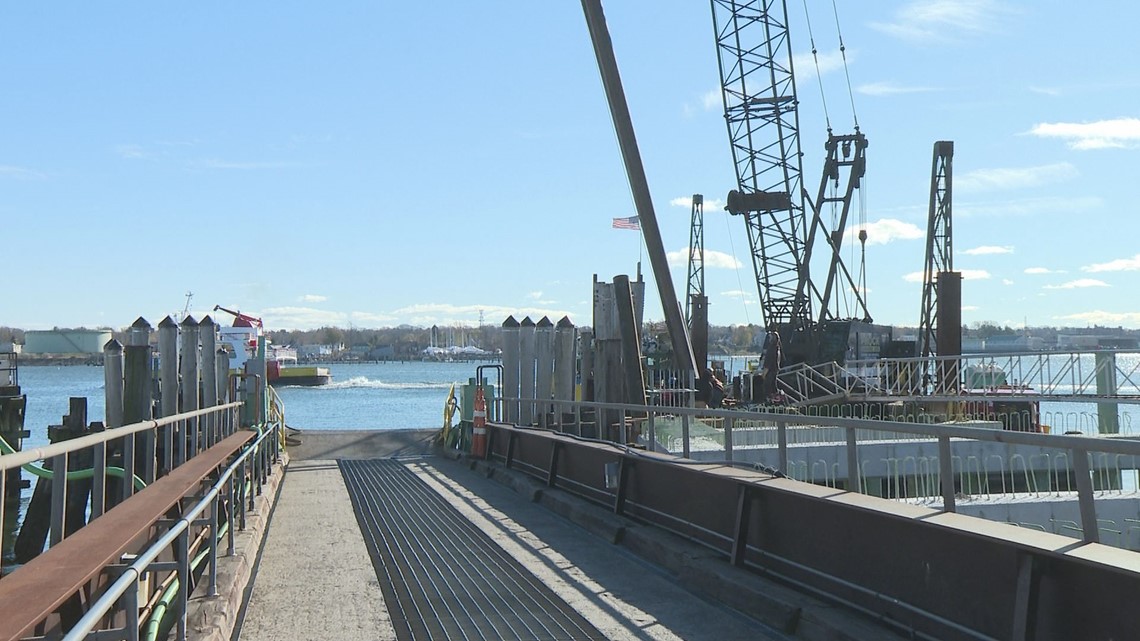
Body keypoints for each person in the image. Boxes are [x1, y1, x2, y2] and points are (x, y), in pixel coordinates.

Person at [762, 329, 782, 399]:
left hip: (770, 372)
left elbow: (768, 362)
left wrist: (764, 373)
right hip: (775, 371)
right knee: (774, 387)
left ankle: (769, 400)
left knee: (768, 388)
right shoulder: (777, 349)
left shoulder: (771, 349)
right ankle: (776, 398)